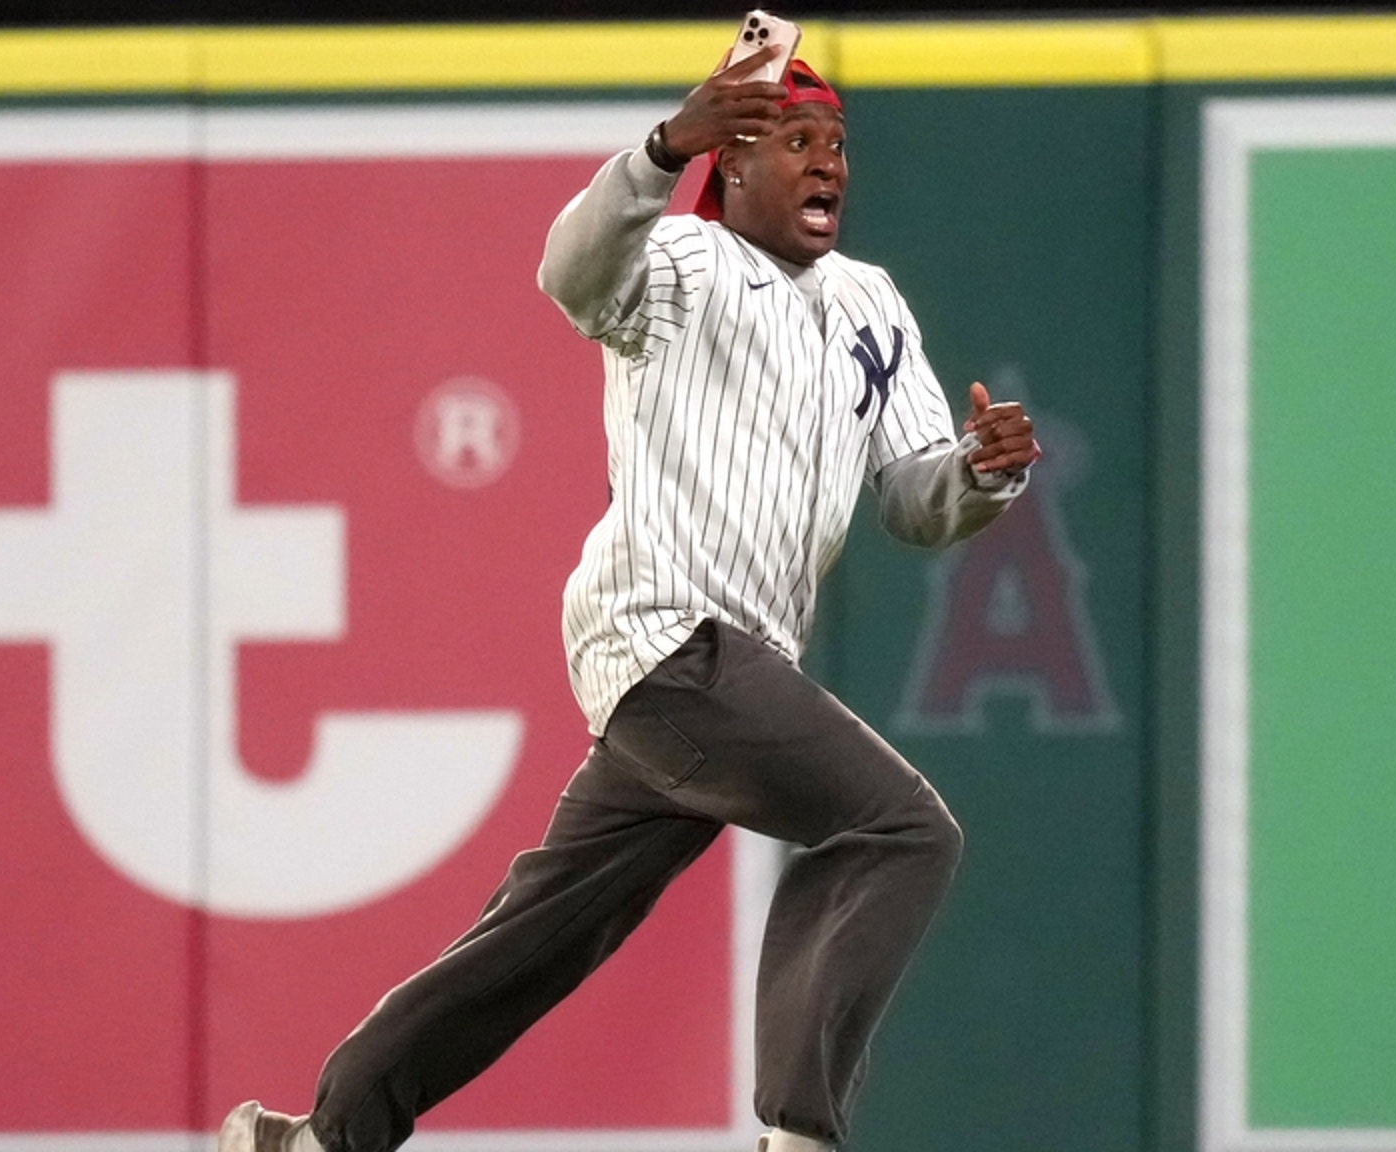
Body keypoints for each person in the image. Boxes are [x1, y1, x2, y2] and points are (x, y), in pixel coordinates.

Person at [218, 41, 1040, 1152]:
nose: (826, 164)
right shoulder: (681, 262)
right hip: (667, 636)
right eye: (796, 141)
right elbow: (568, 273)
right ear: (731, 164)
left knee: (543, 935)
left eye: (837, 145)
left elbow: (910, 495)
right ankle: (796, 1134)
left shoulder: (870, 300)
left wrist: (980, 473)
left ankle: (323, 1136)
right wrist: (660, 151)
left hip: (733, 666)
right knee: (896, 829)